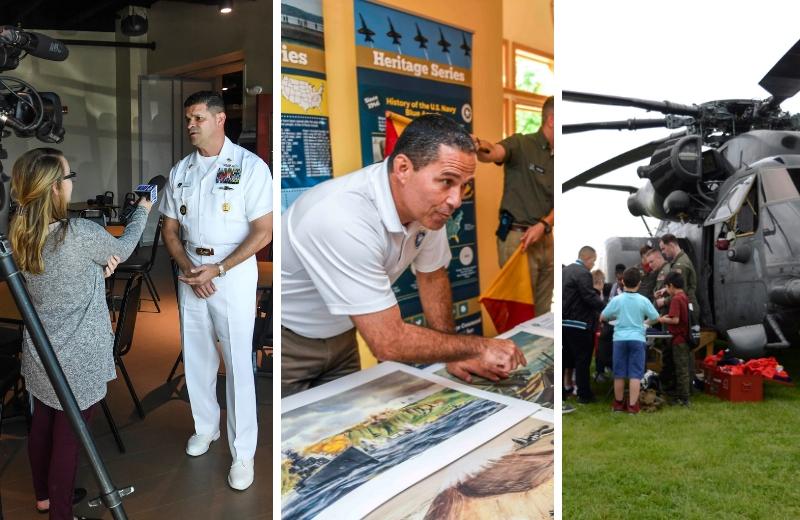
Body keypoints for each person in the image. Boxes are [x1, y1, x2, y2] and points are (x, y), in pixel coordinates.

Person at [281, 114, 526, 396]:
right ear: (403, 168)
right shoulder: (342, 216)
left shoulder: (428, 208)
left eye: (464, 185)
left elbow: (432, 276)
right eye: (446, 181)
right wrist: (480, 347)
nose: (456, 200)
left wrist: (453, 355)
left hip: (342, 335)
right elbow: (388, 342)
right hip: (290, 343)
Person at [10, 148, 150, 519]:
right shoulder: (83, 234)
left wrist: (92, 273)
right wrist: (142, 213)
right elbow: (124, 248)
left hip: (40, 353)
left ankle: (44, 496)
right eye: (69, 178)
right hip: (78, 355)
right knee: (71, 435)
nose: (72, 185)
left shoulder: (19, 233)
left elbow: (53, 278)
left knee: (42, 422)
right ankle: (59, 513)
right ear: (56, 188)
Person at [160, 91, 273, 491]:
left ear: (220, 119)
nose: (190, 125)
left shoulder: (249, 167)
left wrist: (219, 268)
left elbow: (264, 231)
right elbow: (170, 229)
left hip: (233, 272)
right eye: (188, 118)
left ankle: (244, 453)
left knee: (238, 363)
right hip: (191, 271)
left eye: (197, 118)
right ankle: (205, 428)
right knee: (198, 356)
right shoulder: (181, 171)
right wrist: (191, 267)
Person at [472, 96, 554, 317]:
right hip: (518, 240)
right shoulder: (522, 144)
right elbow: (493, 152)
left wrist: (543, 225)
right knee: (518, 314)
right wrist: (478, 145)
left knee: (543, 312)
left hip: (545, 239)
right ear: (552, 120)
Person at [600, 268, 659, 414]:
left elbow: (603, 317)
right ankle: (633, 406)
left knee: (619, 374)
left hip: (619, 339)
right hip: (637, 339)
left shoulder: (617, 300)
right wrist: (645, 323)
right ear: (639, 283)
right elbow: (656, 317)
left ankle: (618, 404)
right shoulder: (643, 300)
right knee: (635, 374)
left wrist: (614, 318)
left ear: (622, 282)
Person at [563, 246, 605, 404]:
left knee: (566, 359)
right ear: (588, 258)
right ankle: (584, 394)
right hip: (579, 324)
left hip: (564, 323)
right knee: (583, 360)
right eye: (593, 261)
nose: (593, 265)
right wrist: (606, 308)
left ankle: (563, 392)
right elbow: (588, 297)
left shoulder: (565, 271)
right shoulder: (583, 273)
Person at [657, 272, 692, 406]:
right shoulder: (684, 296)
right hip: (683, 338)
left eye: (667, 287)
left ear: (671, 286)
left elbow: (675, 319)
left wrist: (662, 318)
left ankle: (683, 398)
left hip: (679, 340)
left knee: (681, 369)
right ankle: (681, 396)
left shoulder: (676, 299)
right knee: (682, 368)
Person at [656, 233, 699, 322]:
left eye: (663, 248)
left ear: (671, 245)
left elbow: (682, 291)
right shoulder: (680, 260)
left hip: (685, 309)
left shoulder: (680, 265)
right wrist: (665, 289)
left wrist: (664, 301)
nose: (663, 252)